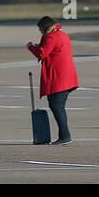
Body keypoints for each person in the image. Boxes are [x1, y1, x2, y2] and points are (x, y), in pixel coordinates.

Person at [27, 15, 79, 145]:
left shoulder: (51, 37)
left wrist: (31, 47)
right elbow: (52, 50)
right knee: (58, 106)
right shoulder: (62, 34)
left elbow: (42, 54)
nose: (40, 32)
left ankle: (65, 136)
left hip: (58, 78)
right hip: (67, 76)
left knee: (57, 106)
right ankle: (63, 136)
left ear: (45, 27)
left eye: (40, 29)